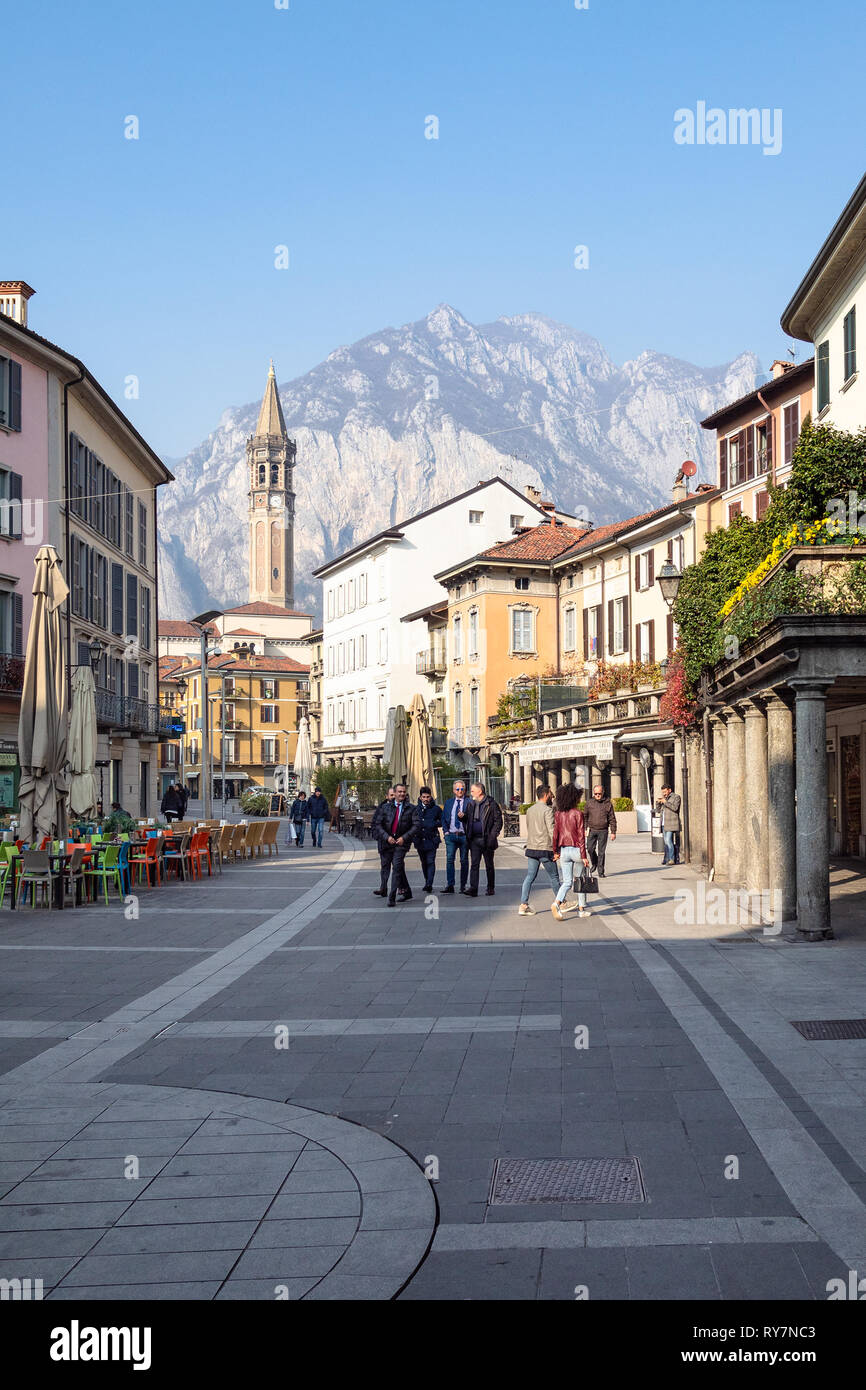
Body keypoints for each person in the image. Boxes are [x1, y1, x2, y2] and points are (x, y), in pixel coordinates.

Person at [374, 783, 420, 906]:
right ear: (394, 793)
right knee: (395, 868)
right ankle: (407, 892)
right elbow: (378, 824)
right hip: (388, 842)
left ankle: (392, 896)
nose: (402, 794)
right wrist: (386, 837)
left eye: (403, 792)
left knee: (397, 867)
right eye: (399, 792)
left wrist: (404, 838)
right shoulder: (385, 808)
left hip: (401, 843)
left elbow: (416, 826)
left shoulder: (411, 808)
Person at [551, 782, 591, 920]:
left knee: (567, 882)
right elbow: (581, 836)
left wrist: (555, 851)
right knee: (580, 880)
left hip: (563, 851)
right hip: (576, 850)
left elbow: (555, 834)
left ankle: (556, 903)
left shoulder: (558, 814)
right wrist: (584, 856)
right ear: (574, 797)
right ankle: (581, 910)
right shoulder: (577, 814)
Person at [519, 784, 561, 915]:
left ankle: (523, 904)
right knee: (554, 876)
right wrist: (556, 850)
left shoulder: (530, 810)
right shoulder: (547, 811)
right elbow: (551, 831)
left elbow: (529, 828)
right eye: (551, 794)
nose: (552, 796)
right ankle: (562, 901)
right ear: (546, 794)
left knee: (530, 876)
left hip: (532, 848)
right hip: (545, 848)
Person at [464, 781, 503, 897]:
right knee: (474, 864)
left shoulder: (491, 804)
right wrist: (462, 817)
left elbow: (498, 821)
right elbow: (468, 819)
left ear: (480, 791)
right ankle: (473, 888)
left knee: (489, 865)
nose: (471, 793)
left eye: (472, 791)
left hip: (487, 839)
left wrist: (492, 835)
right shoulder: (471, 803)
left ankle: (490, 887)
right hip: (474, 839)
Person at [441, 779, 470, 894]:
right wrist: (446, 832)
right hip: (451, 836)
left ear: (464, 790)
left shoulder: (469, 802)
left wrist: (465, 816)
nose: (460, 791)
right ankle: (450, 885)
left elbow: (472, 819)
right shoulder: (448, 803)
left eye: (462, 789)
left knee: (464, 861)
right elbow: (443, 818)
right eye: (457, 789)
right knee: (449, 860)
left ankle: (463, 886)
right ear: (454, 790)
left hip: (464, 836)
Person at [584, 783, 617, 878]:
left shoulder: (607, 803)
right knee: (590, 849)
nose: (597, 795)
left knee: (601, 852)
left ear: (603, 793)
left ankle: (601, 871)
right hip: (592, 830)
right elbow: (585, 816)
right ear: (593, 793)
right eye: (596, 794)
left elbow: (612, 818)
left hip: (603, 831)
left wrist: (613, 832)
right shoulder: (589, 803)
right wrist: (584, 828)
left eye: (599, 793)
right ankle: (594, 862)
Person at [415, 786, 443, 893]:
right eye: (424, 797)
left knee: (430, 861)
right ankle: (427, 880)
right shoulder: (416, 809)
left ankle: (429, 883)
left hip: (432, 839)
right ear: (420, 797)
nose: (426, 799)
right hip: (419, 839)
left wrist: (433, 823)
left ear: (431, 797)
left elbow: (442, 821)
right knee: (424, 862)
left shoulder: (436, 809)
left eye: (428, 797)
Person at [371, 787, 396, 896]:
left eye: (394, 795)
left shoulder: (401, 808)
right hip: (384, 843)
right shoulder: (381, 808)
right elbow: (375, 824)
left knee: (398, 867)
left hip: (396, 843)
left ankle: (400, 888)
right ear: (386, 796)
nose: (393, 797)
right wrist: (378, 837)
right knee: (385, 866)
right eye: (391, 795)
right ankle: (383, 888)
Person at [656, 786, 682, 865]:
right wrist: (658, 803)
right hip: (664, 823)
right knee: (666, 842)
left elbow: (675, 808)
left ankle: (672, 859)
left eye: (665, 791)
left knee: (668, 840)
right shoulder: (665, 799)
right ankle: (666, 858)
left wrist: (665, 802)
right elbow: (658, 811)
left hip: (671, 822)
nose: (664, 793)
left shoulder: (676, 797)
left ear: (669, 790)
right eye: (662, 792)